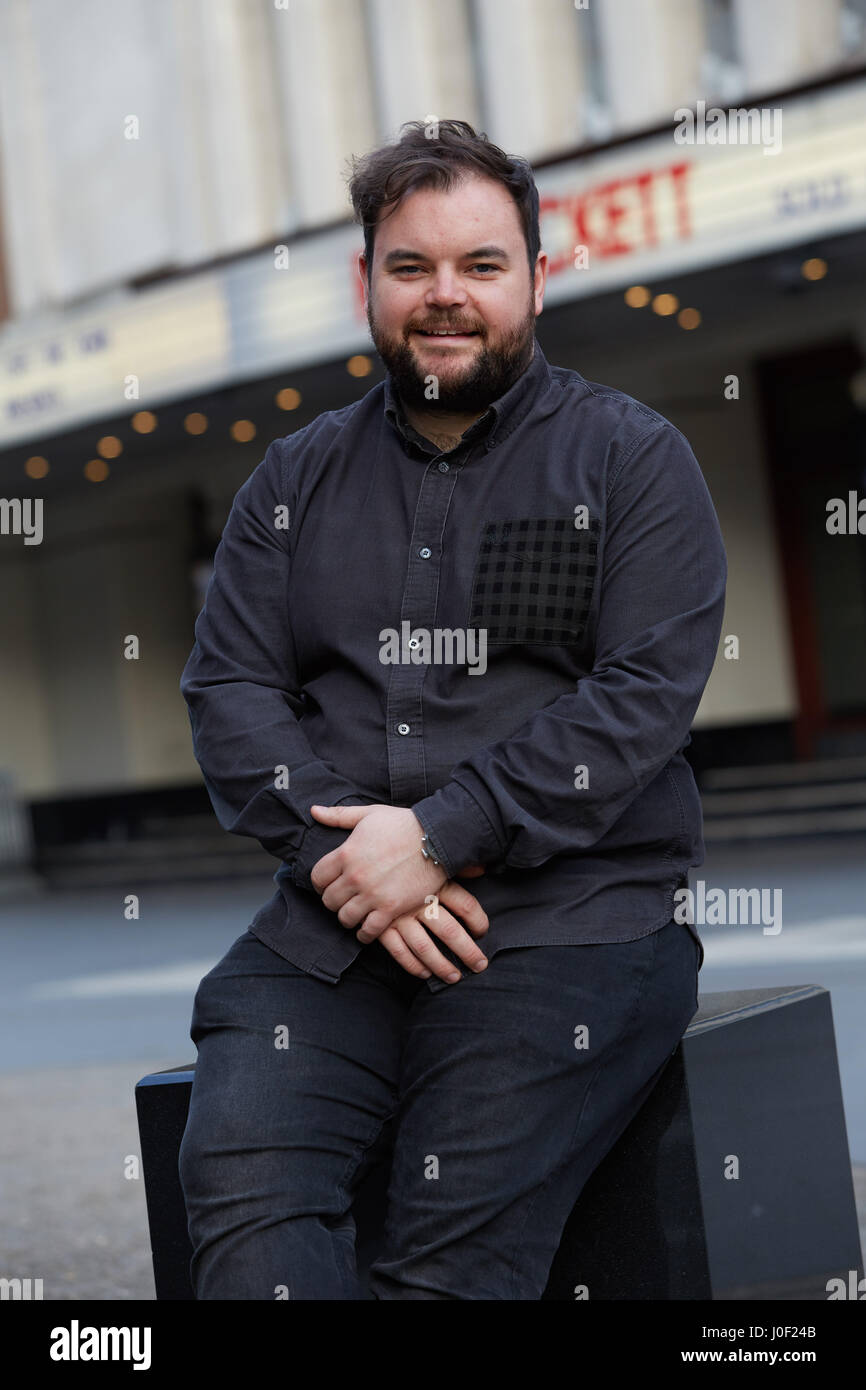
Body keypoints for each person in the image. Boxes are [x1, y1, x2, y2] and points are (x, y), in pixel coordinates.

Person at [177, 118, 727, 1300]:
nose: (444, 296)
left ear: (538, 274)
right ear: (363, 282)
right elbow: (228, 691)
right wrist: (360, 865)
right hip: (330, 931)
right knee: (244, 1192)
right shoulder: (292, 479)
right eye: (409, 266)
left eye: (481, 264)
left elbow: (639, 699)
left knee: (447, 1258)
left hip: (569, 927)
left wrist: (434, 838)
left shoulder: (630, 463)